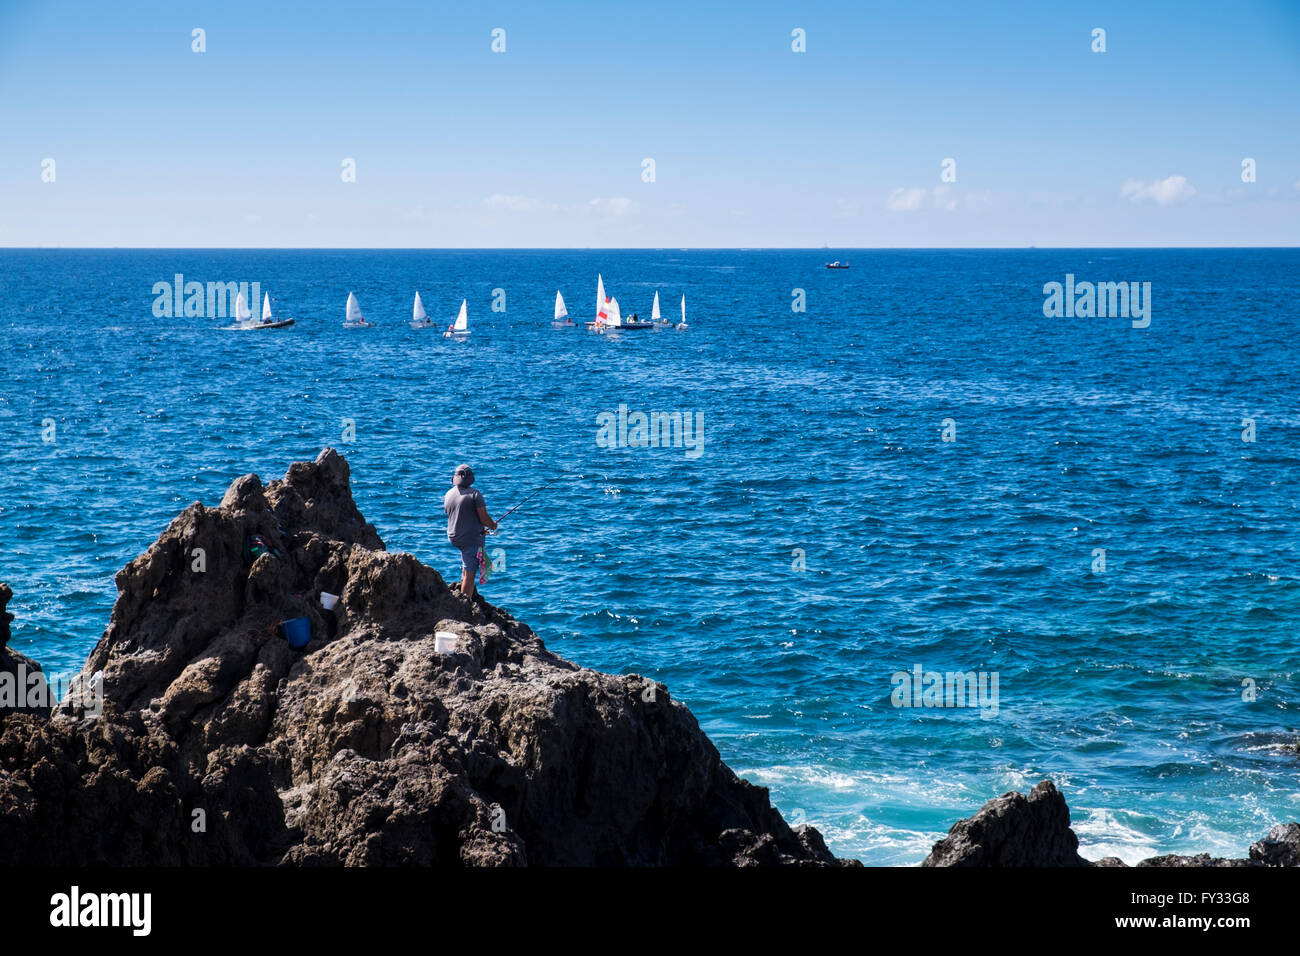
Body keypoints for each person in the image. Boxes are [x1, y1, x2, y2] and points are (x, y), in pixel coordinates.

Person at [443, 464, 497, 602]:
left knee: (467, 564)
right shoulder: (475, 494)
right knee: (470, 574)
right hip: (469, 539)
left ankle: (464, 591)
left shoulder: (449, 494)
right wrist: (493, 525)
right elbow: (484, 518)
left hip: (453, 536)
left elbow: (458, 515)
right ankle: (465, 604)